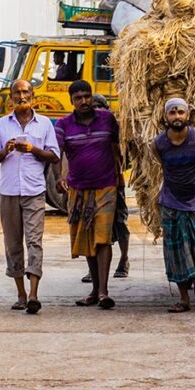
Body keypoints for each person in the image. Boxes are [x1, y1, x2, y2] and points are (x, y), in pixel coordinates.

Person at [0, 79, 60, 315]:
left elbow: (54, 156)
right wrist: (5, 150)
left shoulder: (44, 124)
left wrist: (32, 149)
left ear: (32, 95)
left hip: (34, 191)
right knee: (13, 244)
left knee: (34, 241)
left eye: (25, 92)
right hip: (8, 192)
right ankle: (21, 295)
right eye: (16, 93)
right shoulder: (1, 125)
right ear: (11, 98)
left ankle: (34, 294)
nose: (21, 96)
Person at [55, 80, 123, 309]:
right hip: (78, 189)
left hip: (106, 186)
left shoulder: (107, 119)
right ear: (71, 100)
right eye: (78, 98)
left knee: (103, 239)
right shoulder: (63, 124)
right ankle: (95, 290)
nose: (83, 101)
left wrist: (120, 175)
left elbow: (117, 147)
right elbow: (58, 153)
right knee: (87, 240)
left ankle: (103, 291)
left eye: (87, 96)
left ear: (92, 97)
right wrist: (60, 177)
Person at [152, 98, 195, 313]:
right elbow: (163, 166)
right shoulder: (158, 144)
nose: (177, 116)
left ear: (188, 115)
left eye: (181, 112)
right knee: (176, 250)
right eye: (172, 112)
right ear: (165, 117)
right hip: (171, 202)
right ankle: (184, 298)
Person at [80, 93, 130, 282]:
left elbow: (125, 154)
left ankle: (124, 260)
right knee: (92, 225)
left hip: (114, 182)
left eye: (99, 107)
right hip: (90, 184)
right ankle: (94, 269)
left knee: (120, 222)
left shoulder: (113, 127)